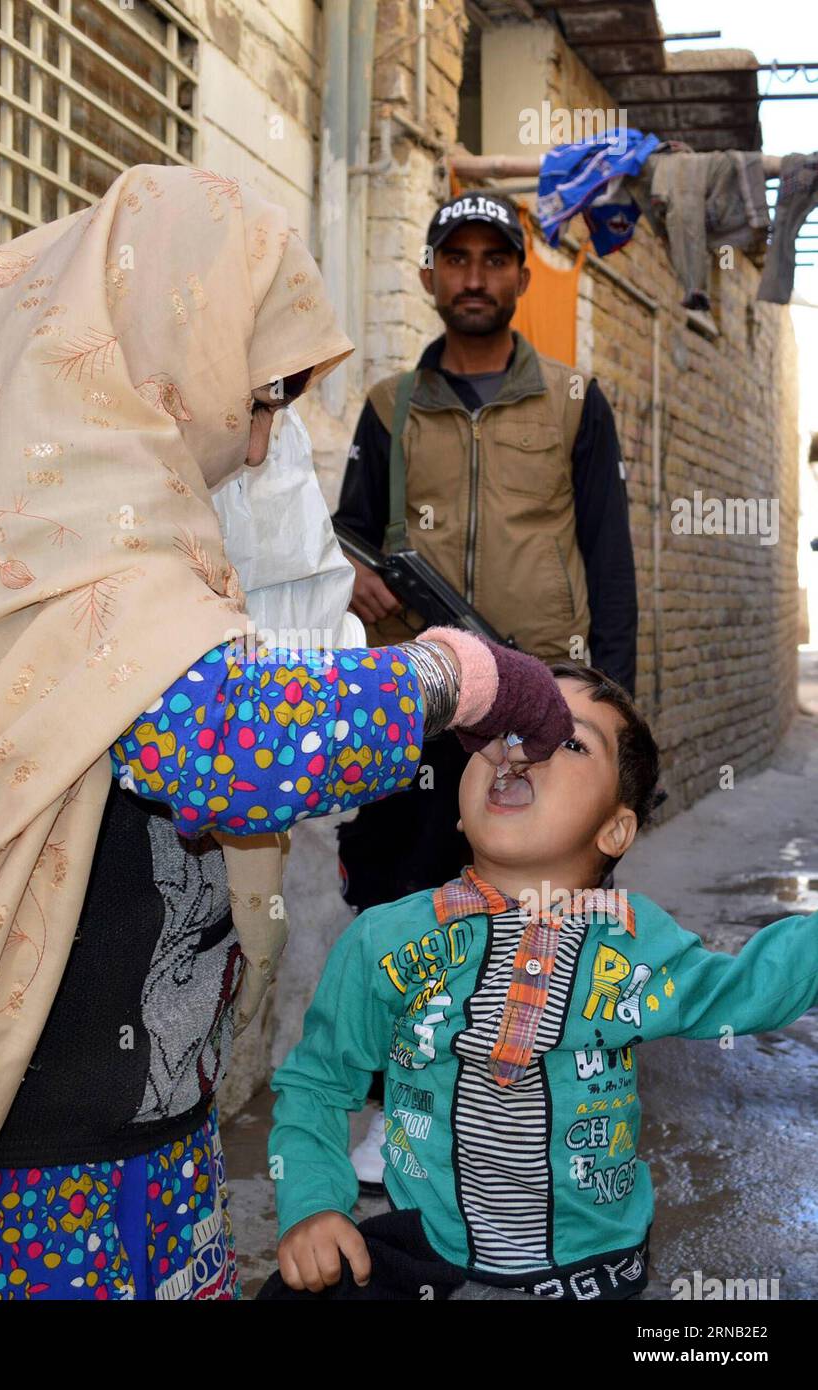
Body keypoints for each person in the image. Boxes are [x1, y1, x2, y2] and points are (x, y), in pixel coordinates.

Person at [0, 163, 574, 1302]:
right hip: (25, 1162)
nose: (262, 438)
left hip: (130, 1128)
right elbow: (232, 750)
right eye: (261, 395)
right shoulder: (51, 530)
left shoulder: (79, 503)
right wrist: (460, 674)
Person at [258, 656, 818, 1301]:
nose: (522, 747)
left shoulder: (633, 944)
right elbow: (319, 1083)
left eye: (572, 740)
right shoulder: (386, 939)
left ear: (615, 828)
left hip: (594, 1272)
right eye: (507, 730)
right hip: (429, 1256)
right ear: (461, 807)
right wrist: (312, 1206)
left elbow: (749, 987)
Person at [333, 188, 639, 1184]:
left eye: (491, 258)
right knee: (397, 904)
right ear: (427, 275)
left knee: (538, 916)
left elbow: (607, 555)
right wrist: (351, 575)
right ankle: (396, 1118)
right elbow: (342, 532)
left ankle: (532, 1122)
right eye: (453, 257)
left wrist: (613, 721)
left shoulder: (570, 401)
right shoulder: (387, 405)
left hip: (534, 699)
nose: (471, 275)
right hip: (410, 699)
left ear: (518, 275)